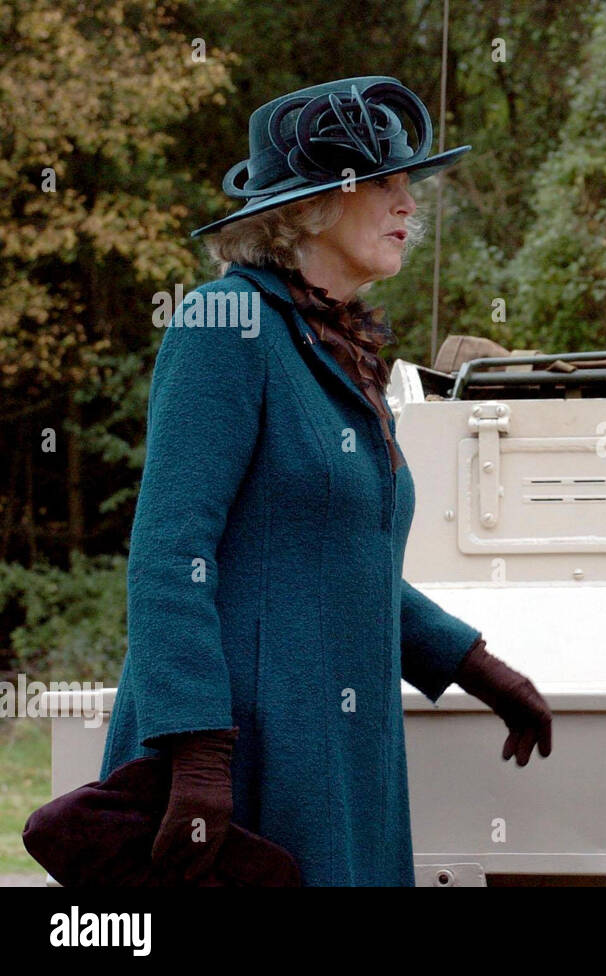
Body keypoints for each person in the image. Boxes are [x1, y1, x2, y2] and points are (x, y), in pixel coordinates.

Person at [98, 76, 551, 887]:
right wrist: (198, 750)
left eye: (410, 181)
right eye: (385, 181)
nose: (410, 201)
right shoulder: (223, 324)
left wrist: (477, 667)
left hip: (344, 753)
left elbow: (336, 554)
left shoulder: (338, 346)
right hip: (249, 755)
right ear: (310, 205)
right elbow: (170, 552)